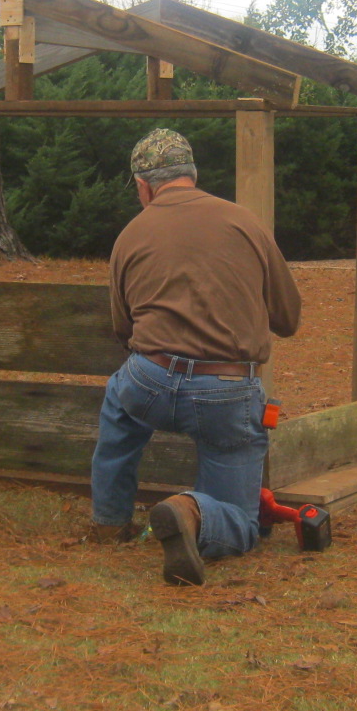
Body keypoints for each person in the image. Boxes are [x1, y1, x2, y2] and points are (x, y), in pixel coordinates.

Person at [90, 129, 302, 585]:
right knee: (244, 523)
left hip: (149, 381)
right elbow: (288, 318)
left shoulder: (129, 235)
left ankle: (109, 522)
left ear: (142, 186)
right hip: (225, 392)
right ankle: (191, 511)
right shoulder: (244, 223)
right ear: (193, 176)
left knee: (117, 401)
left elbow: (122, 329)